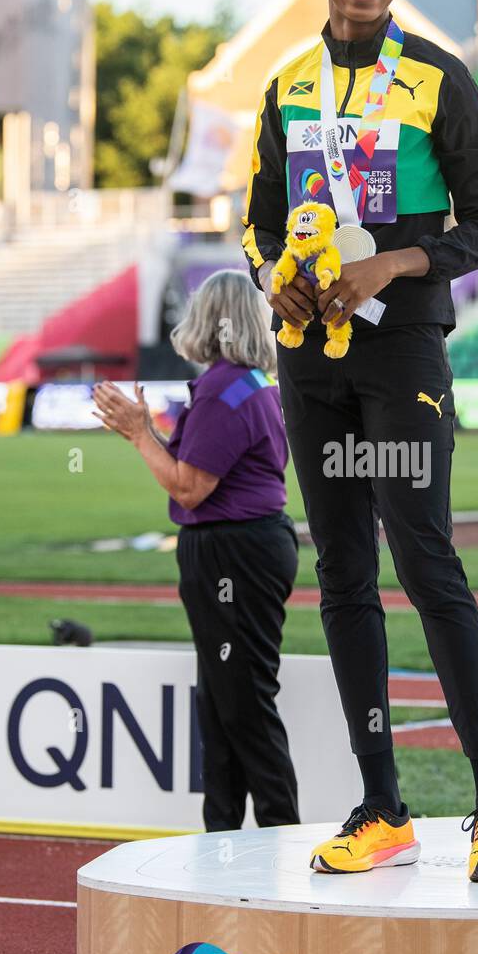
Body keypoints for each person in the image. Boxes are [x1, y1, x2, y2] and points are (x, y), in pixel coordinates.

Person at [240, 0, 478, 883]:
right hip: (308, 350)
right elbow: (258, 221)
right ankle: (382, 806)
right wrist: (278, 272)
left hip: (400, 349)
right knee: (342, 577)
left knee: (425, 562)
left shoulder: (437, 79)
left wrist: (395, 264)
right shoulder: (286, 86)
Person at [92, 270, 300, 832]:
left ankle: (277, 832)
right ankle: (225, 836)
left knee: (241, 703)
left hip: (230, 553)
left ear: (207, 319)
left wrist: (139, 434)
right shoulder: (252, 382)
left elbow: (188, 486)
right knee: (224, 698)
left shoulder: (223, 388)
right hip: (254, 545)